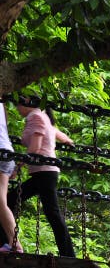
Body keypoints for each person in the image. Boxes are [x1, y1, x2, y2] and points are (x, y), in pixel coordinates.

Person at [1, 101, 75, 257]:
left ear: (27, 103)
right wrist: (66, 139)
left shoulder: (36, 117)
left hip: (44, 172)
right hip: (41, 172)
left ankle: (68, 255)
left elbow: (34, 149)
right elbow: (52, 130)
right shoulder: (41, 116)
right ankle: (7, 242)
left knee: (52, 212)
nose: (17, 109)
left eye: (17, 105)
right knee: (9, 201)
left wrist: (17, 167)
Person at [0, 101, 20, 253]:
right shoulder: (2, 104)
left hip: (1, 153)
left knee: (0, 202)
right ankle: (12, 243)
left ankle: (15, 244)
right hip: (7, 151)